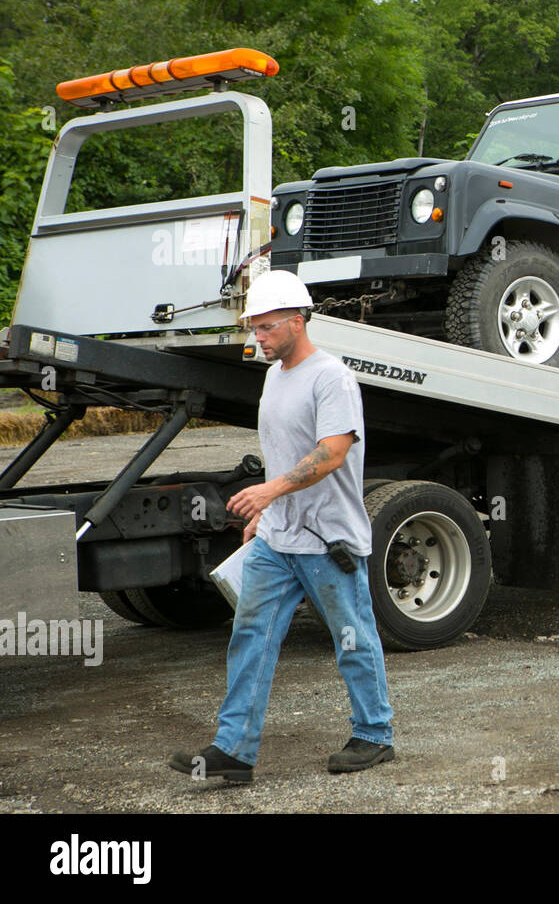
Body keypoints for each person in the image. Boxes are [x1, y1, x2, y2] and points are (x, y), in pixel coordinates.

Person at [168, 270, 394, 782]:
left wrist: (270, 493)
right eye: (255, 328)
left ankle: (375, 734)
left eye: (267, 328)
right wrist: (269, 513)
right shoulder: (273, 376)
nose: (258, 338)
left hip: (327, 539)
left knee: (352, 638)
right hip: (278, 538)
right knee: (250, 634)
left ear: (297, 320)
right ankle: (234, 750)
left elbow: (333, 452)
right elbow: (282, 454)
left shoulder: (331, 377)